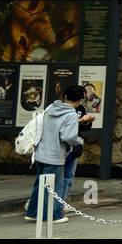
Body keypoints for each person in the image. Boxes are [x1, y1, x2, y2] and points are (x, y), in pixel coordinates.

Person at [23, 85, 86, 223]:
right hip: (55, 154)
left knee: (39, 185)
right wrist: (78, 142)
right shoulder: (71, 114)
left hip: (40, 152)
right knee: (55, 186)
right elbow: (68, 137)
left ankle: (32, 213)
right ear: (80, 100)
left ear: (64, 96)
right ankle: (54, 215)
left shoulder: (51, 107)